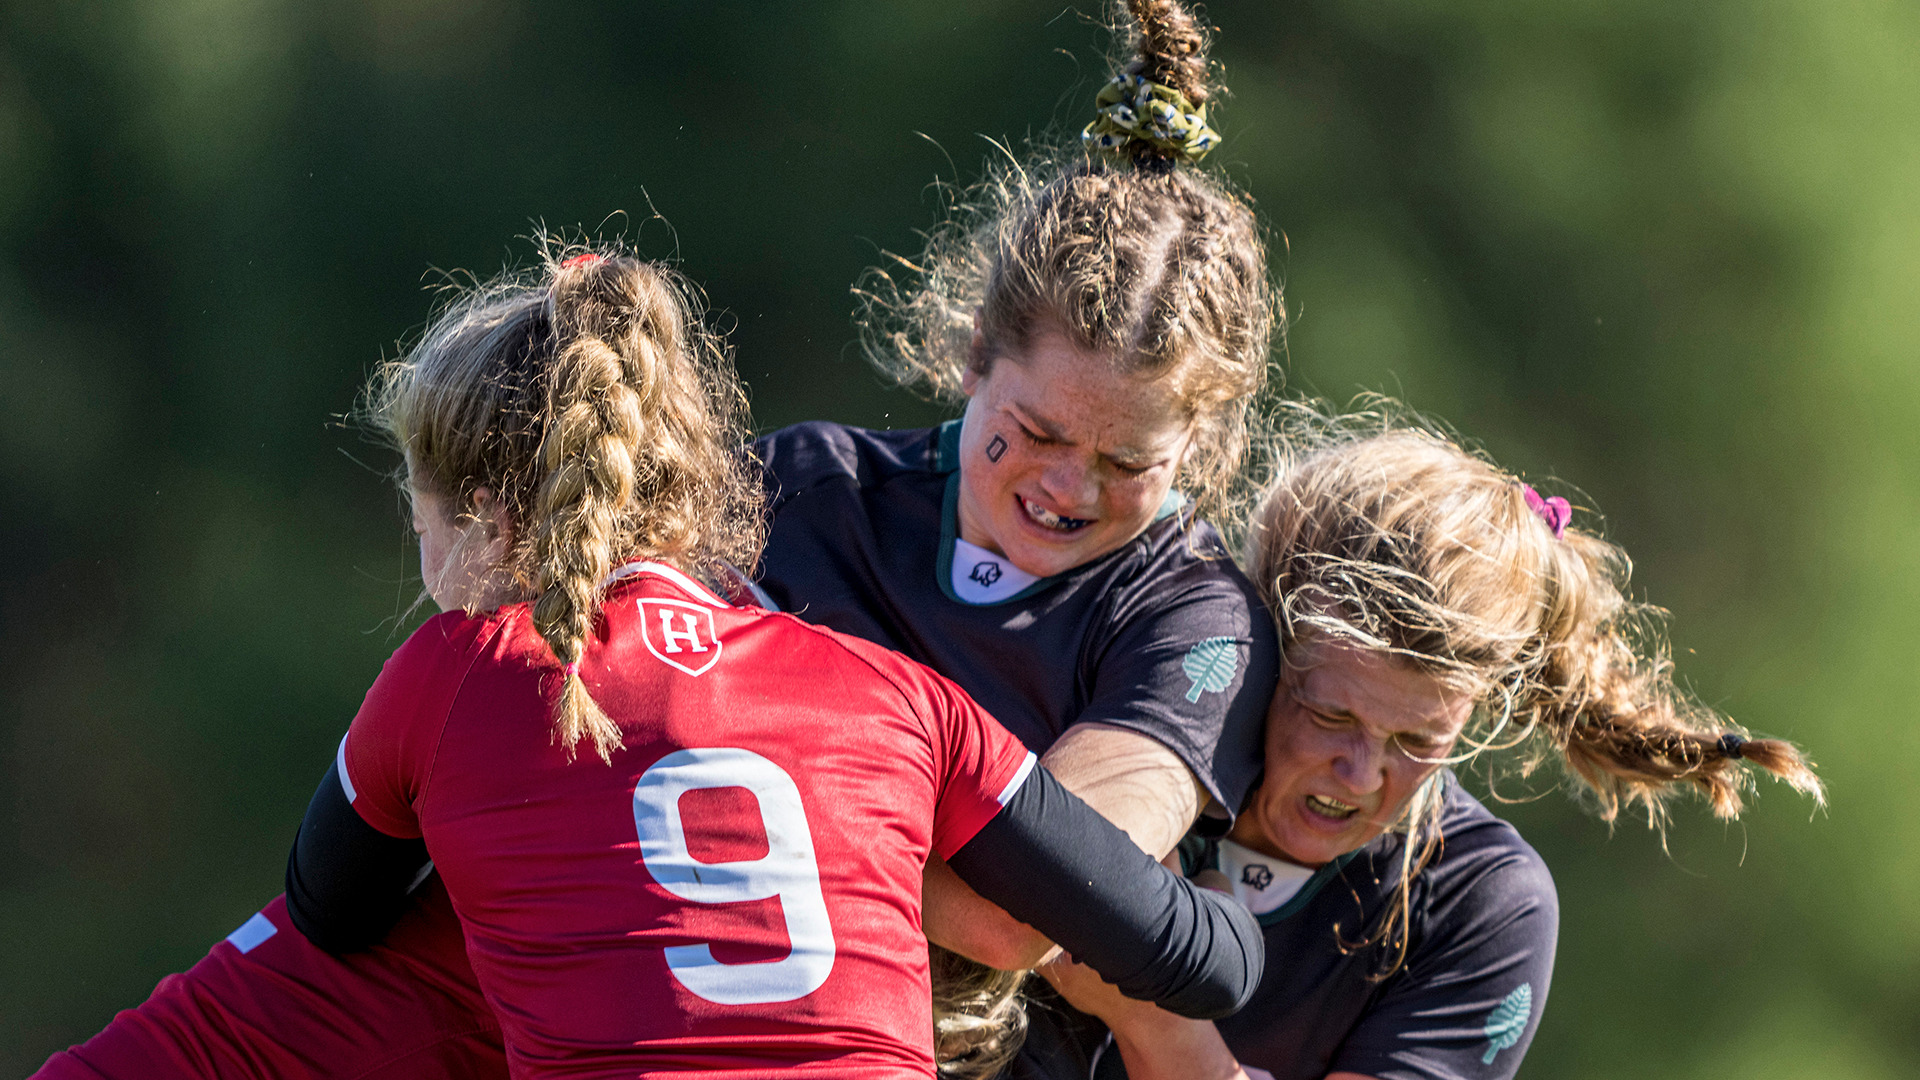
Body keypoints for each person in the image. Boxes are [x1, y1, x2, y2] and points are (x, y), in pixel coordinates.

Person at [33, 0, 1281, 1075]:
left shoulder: (1194, 618)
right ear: (971, 361)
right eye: (1034, 429)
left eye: (1126, 463)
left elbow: (1026, 922)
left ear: (1203, 449)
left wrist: (670, 836)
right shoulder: (811, 490)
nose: (1065, 482)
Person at [1024, 410, 1827, 1080]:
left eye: (1417, 739)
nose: (1363, 772)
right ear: (1265, 637)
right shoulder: (1128, 694)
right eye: (1331, 716)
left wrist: (1157, 1009)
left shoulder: (1484, 902)